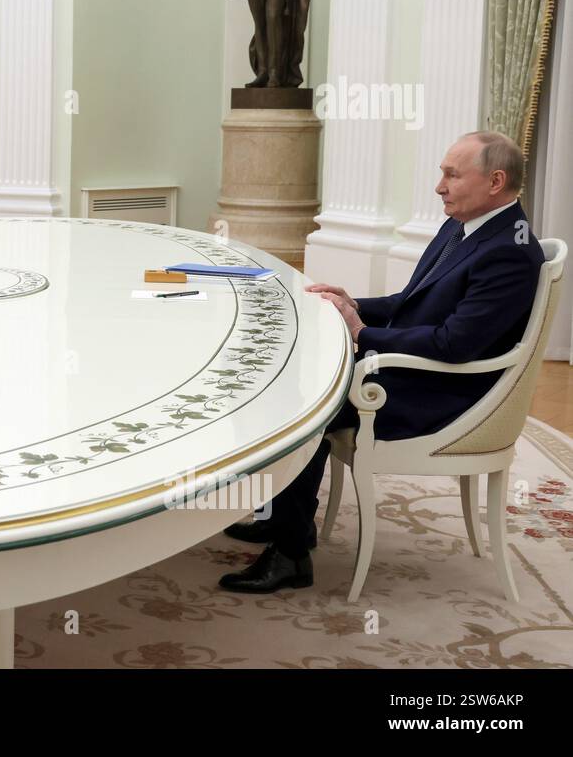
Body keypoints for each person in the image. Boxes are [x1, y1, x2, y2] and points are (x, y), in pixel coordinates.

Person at [219, 130, 545, 593]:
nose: (439, 186)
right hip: (418, 373)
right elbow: (412, 302)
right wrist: (353, 302)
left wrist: (361, 333)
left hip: (444, 394)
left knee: (306, 409)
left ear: (495, 181)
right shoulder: (466, 226)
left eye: (452, 175)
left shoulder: (509, 253)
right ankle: (284, 520)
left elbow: (455, 344)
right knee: (288, 385)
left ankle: (291, 556)